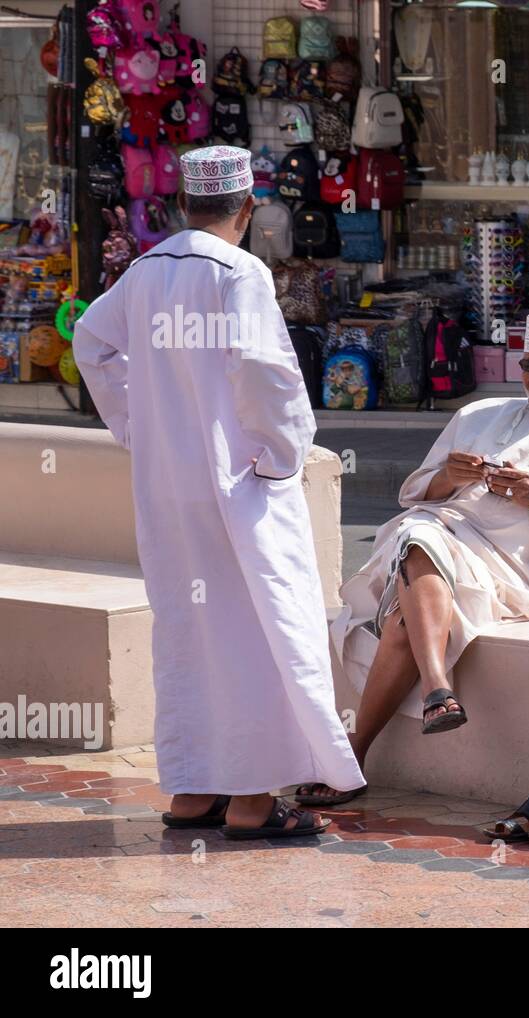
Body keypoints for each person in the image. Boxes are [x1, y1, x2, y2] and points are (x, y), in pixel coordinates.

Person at [73, 145, 362, 839]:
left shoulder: (144, 272)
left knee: (190, 632)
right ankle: (255, 803)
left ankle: (193, 793)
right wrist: (278, 456)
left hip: (168, 491)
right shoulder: (241, 273)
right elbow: (265, 371)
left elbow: (90, 342)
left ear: (181, 205)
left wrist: (145, 430)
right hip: (241, 491)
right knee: (261, 634)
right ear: (249, 206)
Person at [306, 309, 529, 805]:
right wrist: (451, 478)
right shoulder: (476, 416)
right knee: (421, 530)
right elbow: (417, 492)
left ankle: (358, 751)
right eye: (528, 366)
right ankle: (435, 691)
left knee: (404, 612)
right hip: (445, 537)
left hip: (518, 569)